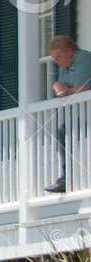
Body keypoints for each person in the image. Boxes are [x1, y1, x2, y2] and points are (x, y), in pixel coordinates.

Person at [45, 34, 91, 192]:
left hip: (87, 114)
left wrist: (65, 89)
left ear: (70, 52)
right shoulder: (64, 67)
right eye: (54, 58)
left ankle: (69, 176)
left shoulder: (83, 59)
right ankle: (67, 176)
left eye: (58, 56)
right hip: (80, 115)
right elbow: (62, 88)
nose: (56, 61)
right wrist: (57, 85)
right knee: (63, 132)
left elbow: (83, 87)